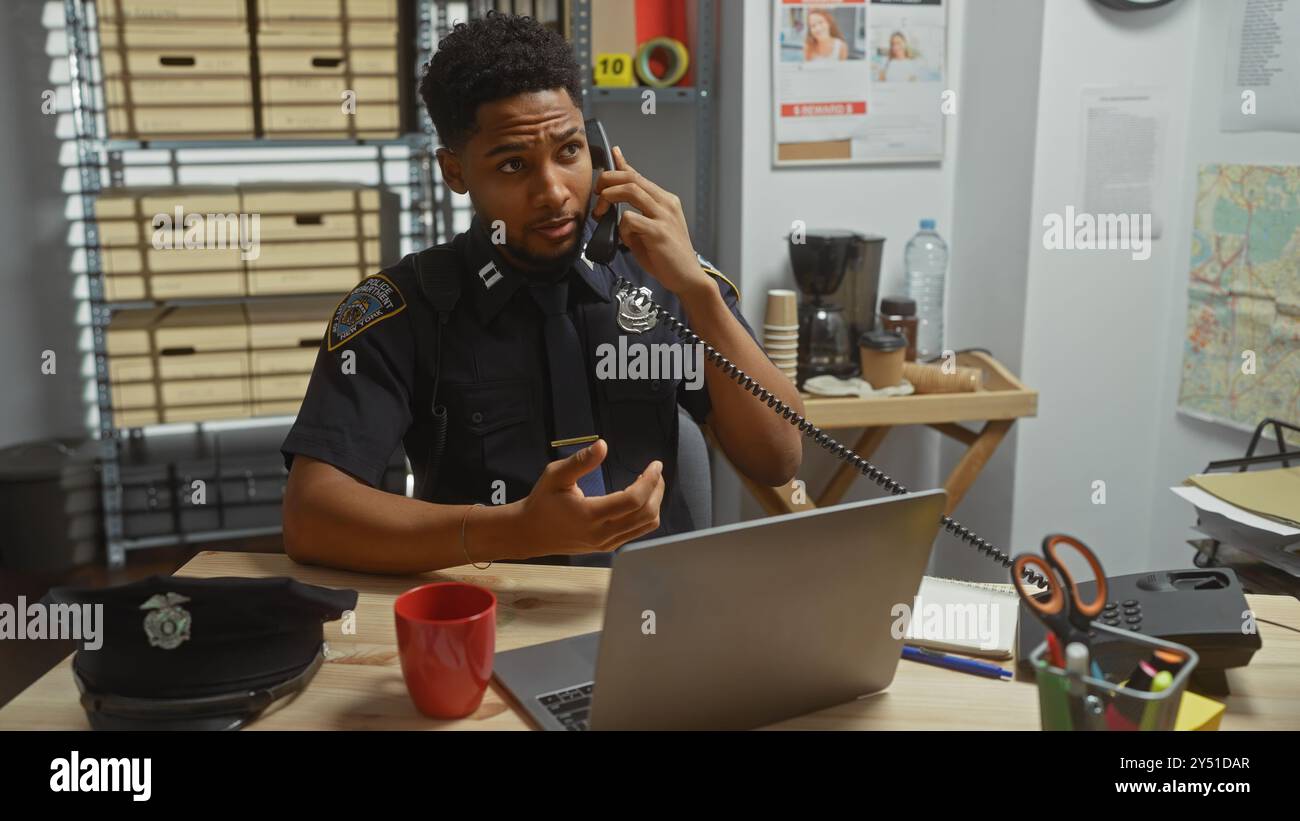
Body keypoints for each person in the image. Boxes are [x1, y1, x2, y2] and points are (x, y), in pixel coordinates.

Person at [279, 12, 804, 575]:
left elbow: (777, 460)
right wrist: (513, 531)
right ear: (455, 172)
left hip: (657, 616)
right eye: (513, 164)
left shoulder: (663, 277)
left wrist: (698, 294)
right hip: (492, 614)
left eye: (570, 151)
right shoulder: (402, 309)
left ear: (597, 147)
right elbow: (311, 516)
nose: (554, 192)